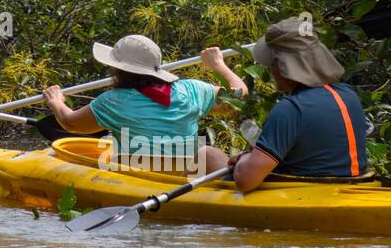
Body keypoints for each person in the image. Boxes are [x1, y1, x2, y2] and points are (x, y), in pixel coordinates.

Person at [41, 34, 246, 173]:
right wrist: (218, 64)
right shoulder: (191, 90)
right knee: (209, 153)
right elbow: (238, 97)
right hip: (183, 175)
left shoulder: (113, 102)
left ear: (118, 69)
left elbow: (71, 123)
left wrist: (56, 101)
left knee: (112, 155)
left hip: (139, 175)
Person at [228, 17, 369, 192]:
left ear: (283, 66)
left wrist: (243, 159)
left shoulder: (290, 108)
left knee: (207, 154)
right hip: (351, 188)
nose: (271, 71)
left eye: (272, 64)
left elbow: (246, 181)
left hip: (304, 193)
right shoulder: (348, 94)